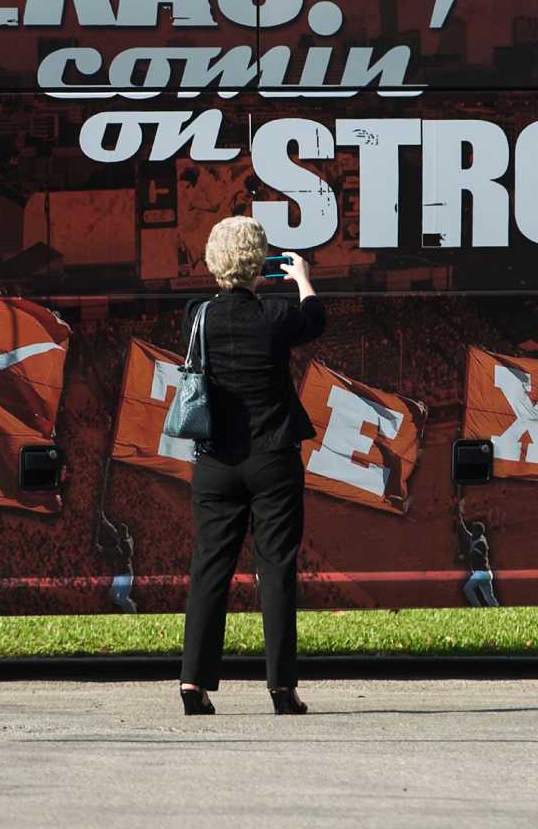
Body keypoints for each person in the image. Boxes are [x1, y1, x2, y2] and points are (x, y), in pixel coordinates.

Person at [178, 216, 324, 715]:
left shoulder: (196, 316)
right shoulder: (277, 315)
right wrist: (302, 278)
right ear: (260, 262)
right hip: (272, 456)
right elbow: (315, 319)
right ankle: (282, 687)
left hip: (215, 460)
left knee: (209, 567)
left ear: (212, 261)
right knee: (276, 568)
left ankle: (193, 683)